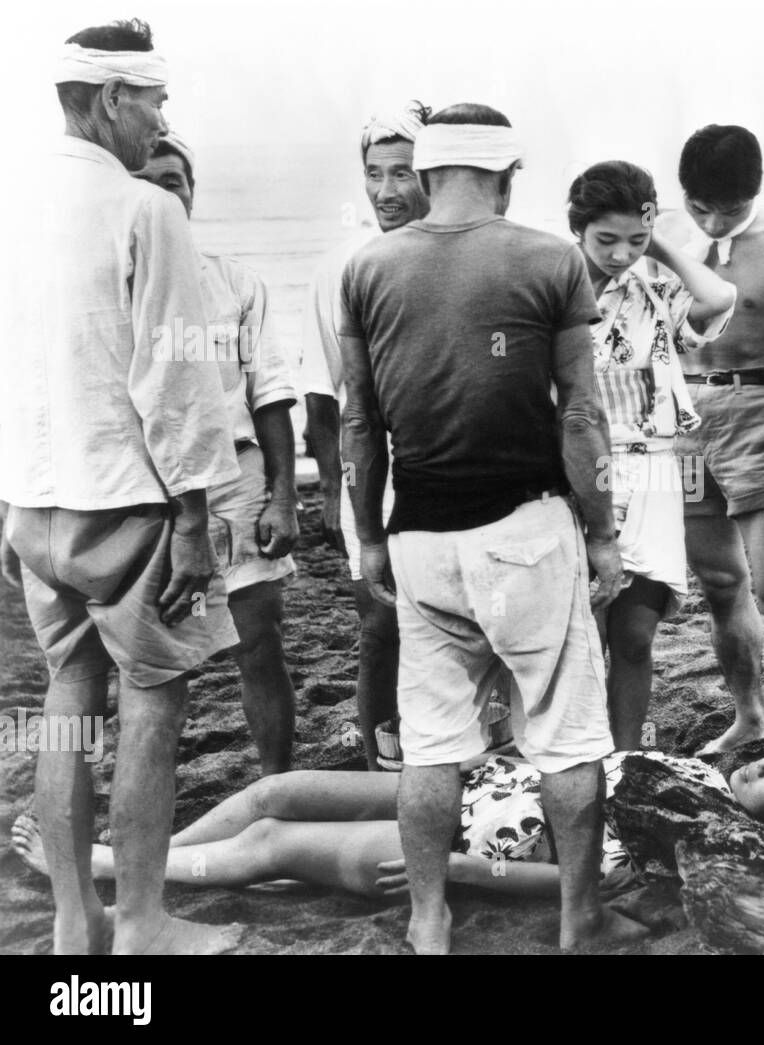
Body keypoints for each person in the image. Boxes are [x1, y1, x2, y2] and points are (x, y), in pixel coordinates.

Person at [338, 104, 643, 953]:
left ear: (428, 174)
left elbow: (360, 424)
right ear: (506, 174)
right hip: (526, 528)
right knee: (566, 734)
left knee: (432, 746)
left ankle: (427, 915)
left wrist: (367, 536)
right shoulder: (548, 258)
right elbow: (582, 417)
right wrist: (605, 532)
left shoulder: (368, 267)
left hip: (418, 536)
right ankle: (579, 915)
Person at [0, 19, 241, 955]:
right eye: (153, 102)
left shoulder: (13, 200)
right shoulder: (146, 209)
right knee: (151, 705)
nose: (159, 120)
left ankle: (73, 921)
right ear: (111, 100)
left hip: (32, 501)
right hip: (125, 501)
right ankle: (140, 922)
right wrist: (194, 511)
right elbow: (175, 376)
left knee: (66, 701)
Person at [11, 750, 764, 904]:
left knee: (273, 843)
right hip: (452, 787)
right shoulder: (694, 768)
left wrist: (449, 875)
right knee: (272, 790)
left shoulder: (684, 845)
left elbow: (570, 882)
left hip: (450, 848)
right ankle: (143, 857)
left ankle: (106, 866)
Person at [135, 133, 301, 776]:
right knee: (153, 659)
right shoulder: (111, 291)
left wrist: (283, 496)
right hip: (146, 491)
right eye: (145, 183)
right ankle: (151, 804)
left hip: (235, 478)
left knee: (259, 644)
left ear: (192, 192)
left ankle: (278, 786)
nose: (160, 194)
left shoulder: (235, 283)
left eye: (172, 181)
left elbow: (272, 395)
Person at [566, 161, 737, 752]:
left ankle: (627, 755)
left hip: (652, 467)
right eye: (605, 240)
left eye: (634, 239)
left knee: (635, 633)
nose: (620, 254)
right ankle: (578, 754)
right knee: (578, 630)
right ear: (577, 229)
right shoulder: (551, 287)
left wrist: (656, 240)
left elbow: (719, 297)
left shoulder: (654, 288)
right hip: (575, 463)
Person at [656, 126, 764, 753]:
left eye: (731, 208)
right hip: (684, 417)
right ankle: (752, 716)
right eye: (701, 206)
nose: (715, 220)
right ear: (683, 193)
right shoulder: (660, 236)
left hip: (760, 410)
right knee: (721, 585)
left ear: (757, 192)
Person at [299, 101, 426, 771]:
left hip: (454, 467)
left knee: (458, 620)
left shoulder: (459, 255)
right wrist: (329, 488)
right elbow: (322, 395)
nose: (387, 191)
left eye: (403, 172)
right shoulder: (339, 269)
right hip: (370, 471)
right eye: (375, 173)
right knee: (379, 623)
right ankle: (381, 753)